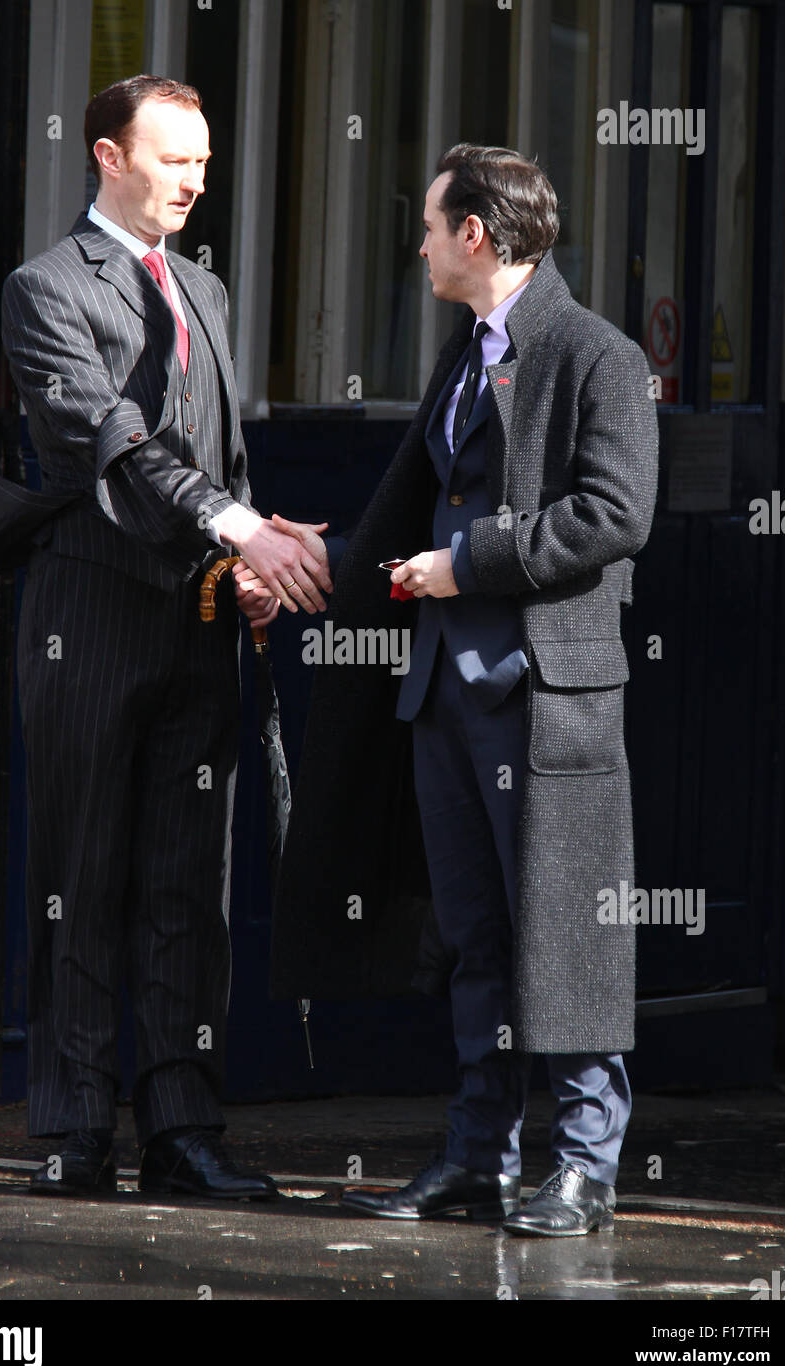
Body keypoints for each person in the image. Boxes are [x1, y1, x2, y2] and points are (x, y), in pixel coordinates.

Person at [266, 145, 659, 1235]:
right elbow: (404, 511)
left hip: (547, 699)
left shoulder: (596, 354)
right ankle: (475, 1157)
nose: (423, 245)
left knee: (566, 932)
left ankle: (583, 1167)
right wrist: (303, 568)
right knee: (475, 938)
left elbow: (614, 515)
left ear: (475, 234)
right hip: (444, 694)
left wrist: (468, 562)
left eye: (433, 225)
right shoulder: (465, 354)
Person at [0, 74, 331, 1199]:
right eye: (173, 156)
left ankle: (181, 1129)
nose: (195, 178)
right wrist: (234, 525)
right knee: (82, 876)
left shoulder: (204, 289)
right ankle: (74, 1127)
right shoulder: (45, 288)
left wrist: (244, 560)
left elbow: (221, 456)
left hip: (196, 628)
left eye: (201, 158)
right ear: (106, 155)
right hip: (89, 620)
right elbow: (109, 434)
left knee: (188, 885)